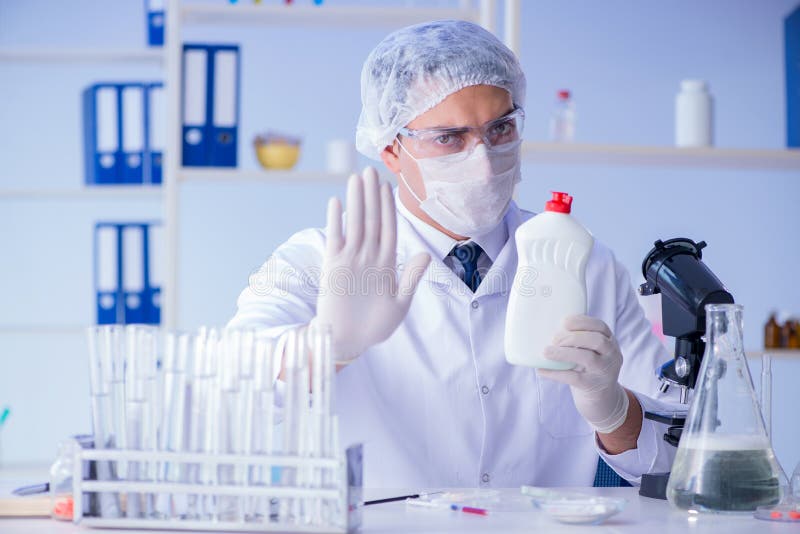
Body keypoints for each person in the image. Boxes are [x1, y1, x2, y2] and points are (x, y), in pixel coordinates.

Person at [228, 19, 679, 488]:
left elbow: (672, 462)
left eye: (500, 129)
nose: (483, 160)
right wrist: (327, 348)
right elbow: (229, 392)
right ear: (391, 149)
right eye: (449, 137)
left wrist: (612, 409)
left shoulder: (589, 265)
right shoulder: (315, 261)